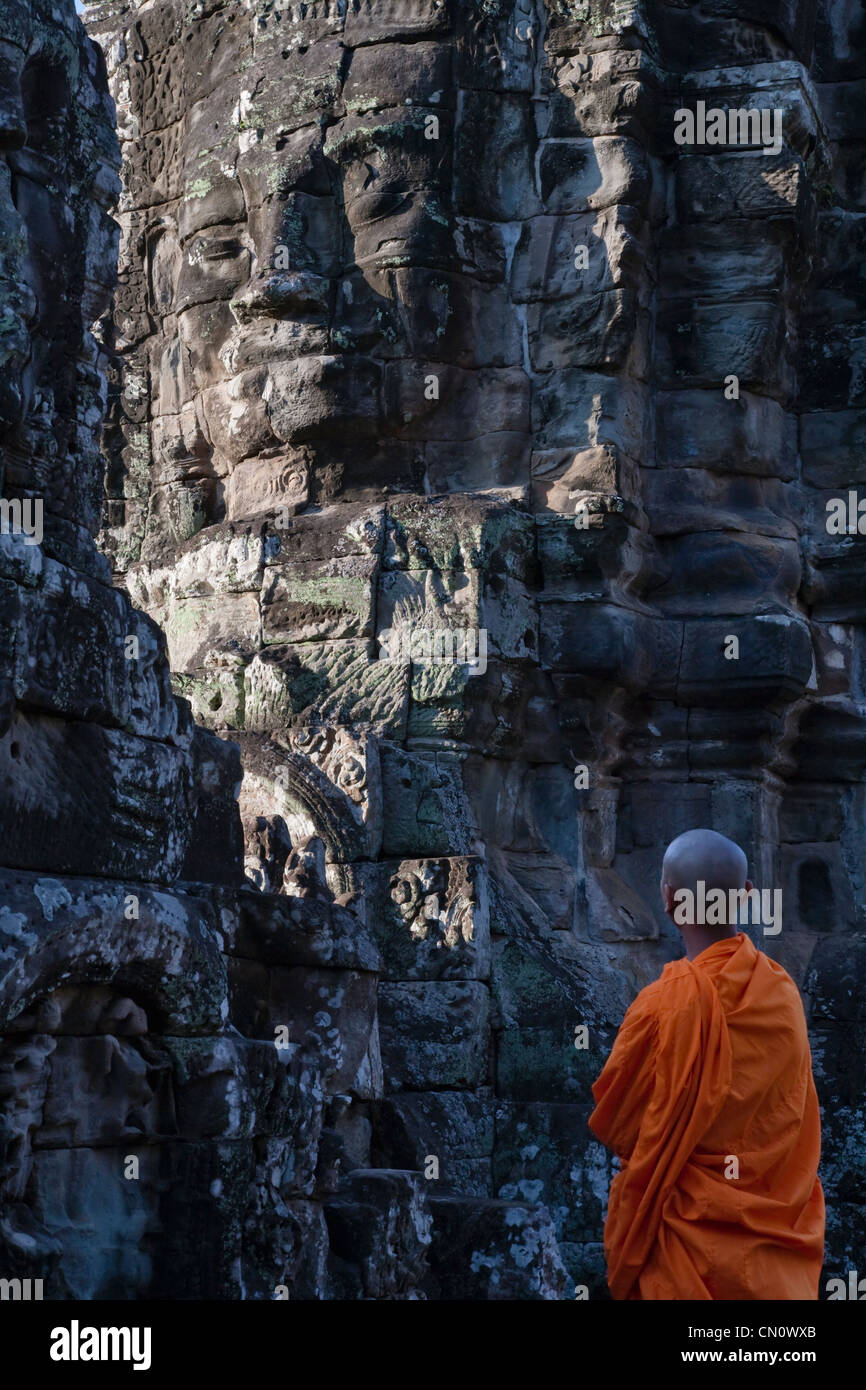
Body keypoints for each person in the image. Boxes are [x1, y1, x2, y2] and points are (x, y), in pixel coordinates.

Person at [589, 827, 825, 1300]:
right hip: (773, 1257)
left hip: (682, 1247)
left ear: (669, 899)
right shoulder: (780, 993)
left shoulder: (661, 1007)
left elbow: (619, 1126)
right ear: (745, 898)